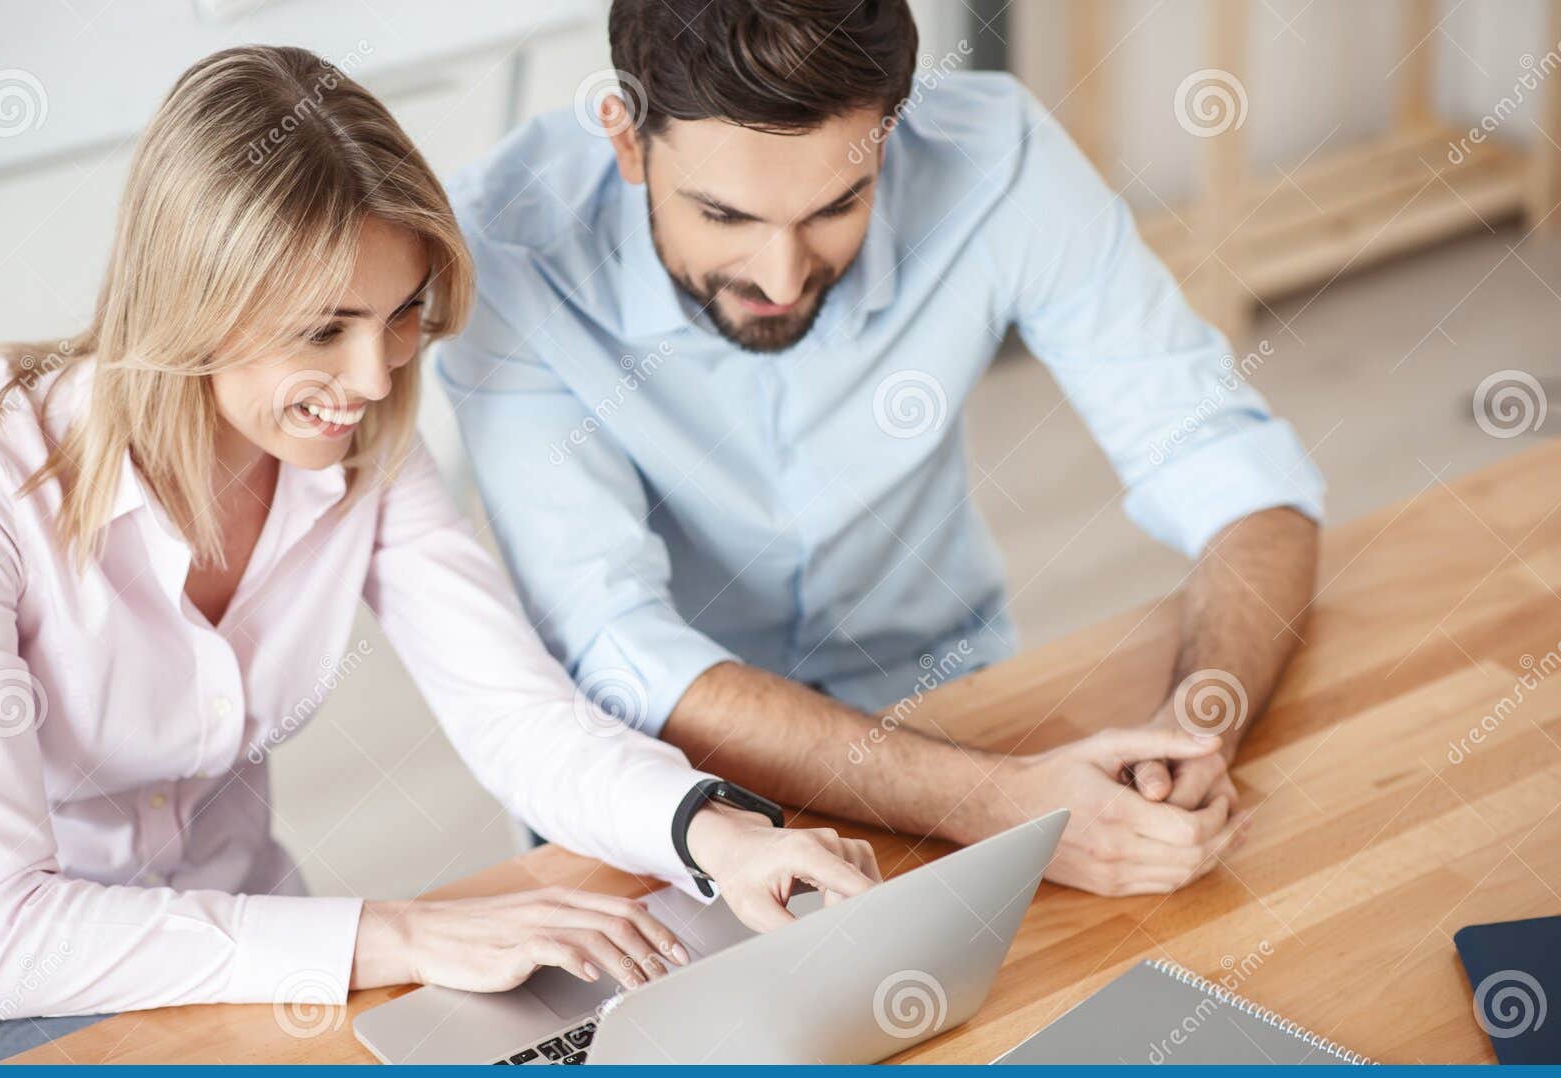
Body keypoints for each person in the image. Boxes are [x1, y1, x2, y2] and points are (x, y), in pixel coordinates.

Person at [0, 45, 882, 1065]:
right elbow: (6, 938)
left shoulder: (356, 443)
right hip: (13, 1020)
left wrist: (716, 834)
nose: (372, 376)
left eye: (400, 313)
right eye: (324, 330)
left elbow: (517, 716)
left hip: (268, 971)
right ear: (190, 303)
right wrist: (400, 932)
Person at [438, 0, 1322, 898]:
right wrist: (998, 802)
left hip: (941, 710)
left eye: (837, 205)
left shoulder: (999, 160)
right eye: (724, 215)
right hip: (667, 790)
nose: (781, 277)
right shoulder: (504, 252)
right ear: (627, 138)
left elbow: (1229, 466)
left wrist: (1198, 731)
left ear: (890, 132)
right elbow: (617, 647)